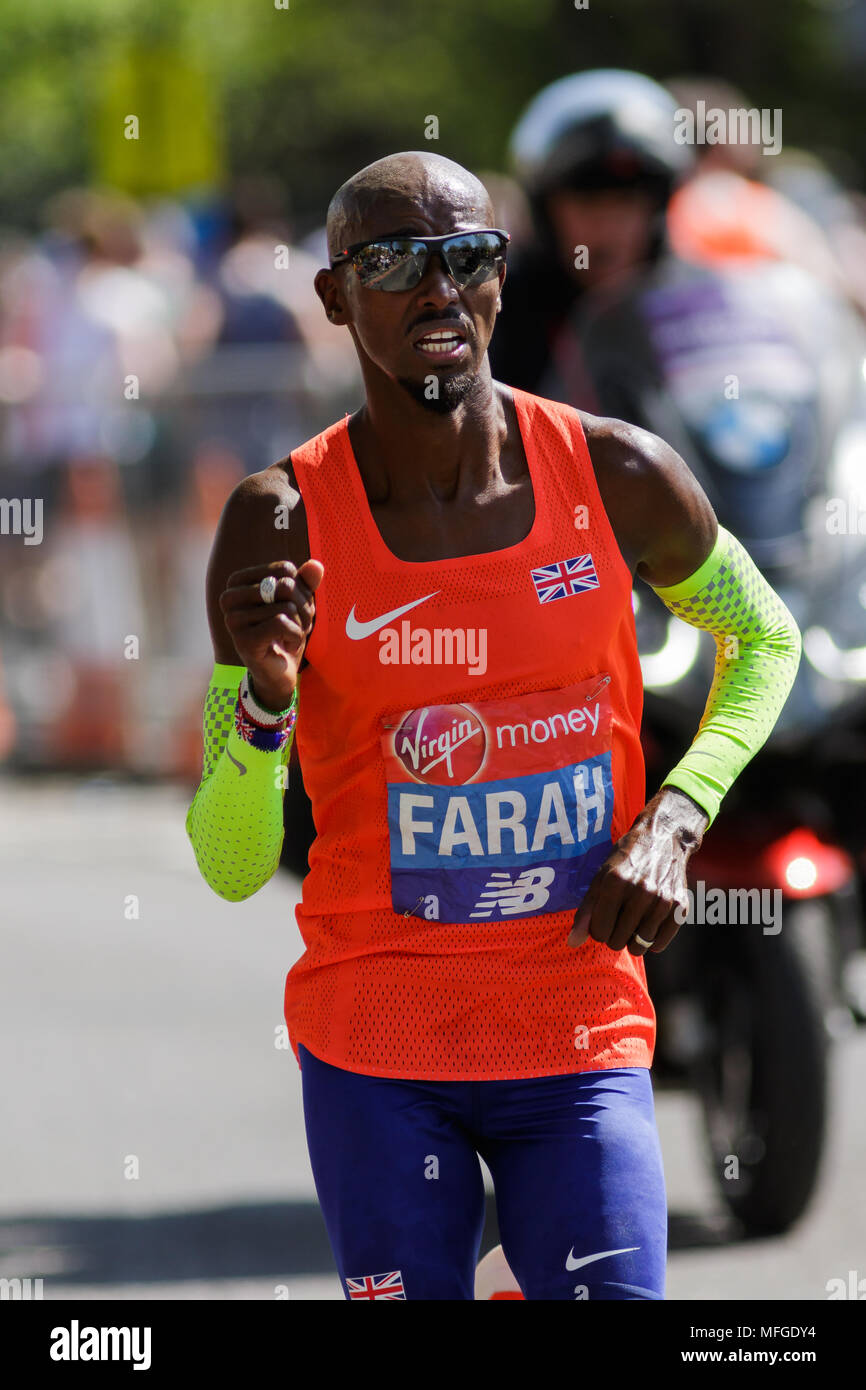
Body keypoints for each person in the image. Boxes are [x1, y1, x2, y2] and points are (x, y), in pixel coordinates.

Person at [185, 150, 801, 1300]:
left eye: (465, 258)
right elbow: (228, 864)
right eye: (393, 263)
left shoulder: (613, 473)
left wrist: (678, 813)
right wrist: (265, 703)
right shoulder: (278, 524)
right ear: (332, 295)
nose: (436, 292)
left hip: (575, 1027)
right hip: (377, 1048)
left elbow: (765, 639)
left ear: (500, 281)